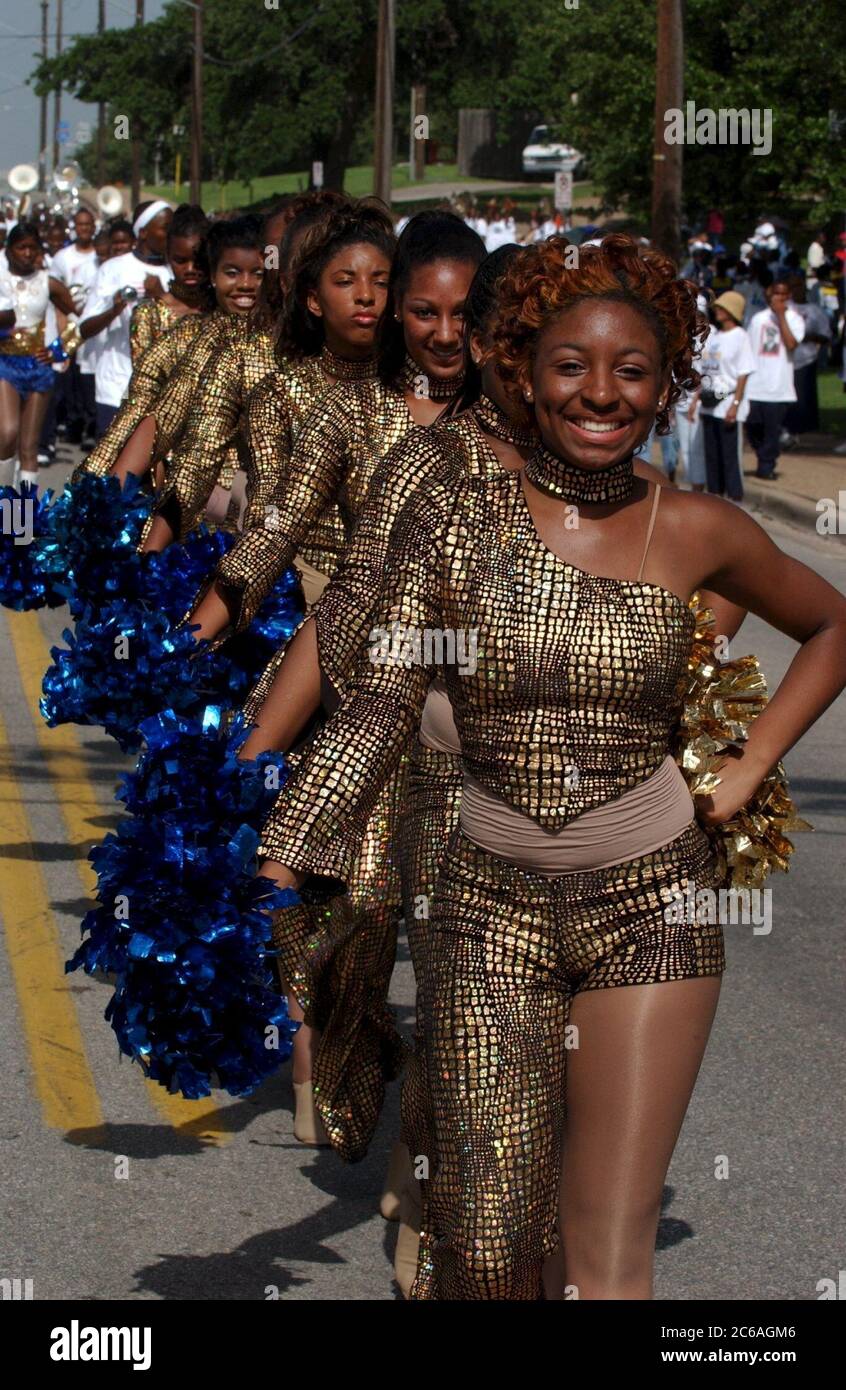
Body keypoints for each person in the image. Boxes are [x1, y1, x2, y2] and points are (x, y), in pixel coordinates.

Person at [251, 233, 846, 1300]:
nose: (600, 394)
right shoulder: (453, 515)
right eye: (572, 367)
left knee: (605, 1248)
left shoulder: (701, 526)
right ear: (523, 375)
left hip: (654, 905)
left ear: (666, 389)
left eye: (632, 371)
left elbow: (830, 623)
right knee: (485, 1252)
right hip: (484, 906)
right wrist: (285, 846)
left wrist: (752, 762)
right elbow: (381, 695)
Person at [80, 201, 173, 438]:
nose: (171, 235)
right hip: (116, 386)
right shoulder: (113, 269)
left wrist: (161, 295)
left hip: (163, 393)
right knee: (111, 469)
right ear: (143, 232)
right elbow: (85, 328)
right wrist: (115, 308)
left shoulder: (176, 272)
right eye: (165, 228)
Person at [0, 221, 77, 488]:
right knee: (7, 434)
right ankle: (5, 508)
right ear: (9, 249)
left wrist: (59, 349)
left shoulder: (49, 283)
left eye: (33, 248)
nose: (27, 253)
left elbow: (78, 319)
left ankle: (24, 521)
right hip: (5, 364)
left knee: (29, 446)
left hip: (37, 365)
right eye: (21, 247)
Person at [694, 290, 755, 501]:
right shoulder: (715, 336)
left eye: (721, 307)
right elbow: (704, 368)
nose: (717, 311)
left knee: (729, 456)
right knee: (711, 455)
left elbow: (743, 373)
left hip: (727, 401)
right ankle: (715, 497)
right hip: (708, 401)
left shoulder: (741, 337)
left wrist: (736, 404)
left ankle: (735, 499)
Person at [128, 204, 210, 359]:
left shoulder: (224, 309)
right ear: (167, 256)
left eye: (199, 260)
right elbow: (143, 378)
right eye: (180, 261)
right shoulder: (148, 314)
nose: (190, 269)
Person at [745, 278, 806, 480]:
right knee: (753, 426)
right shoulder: (758, 319)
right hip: (756, 385)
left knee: (772, 431)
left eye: (782, 294)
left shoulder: (795, 319)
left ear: (788, 296)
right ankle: (763, 455)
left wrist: (781, 316)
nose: (778, 298)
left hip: (778, 387)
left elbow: (791, 344)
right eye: (775, 294)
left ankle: (766, 465)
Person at [49, 207, 100, 446]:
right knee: (69, 377)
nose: (84, 229)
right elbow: (55, 293)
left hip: (96, 326)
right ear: (74, 227)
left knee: (89, 376)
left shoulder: (100, 255)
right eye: (80, 225)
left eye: (88, 225)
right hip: (71, 324)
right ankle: (72, 423)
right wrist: (65, 319)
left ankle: (91, 425)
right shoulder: (63, 257)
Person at [782, 273, 831, 440]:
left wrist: (809, 336)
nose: (796, 289)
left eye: (799, 286)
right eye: (792, 286)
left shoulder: (814, 310)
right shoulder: (784, 308)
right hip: (786, 360)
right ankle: (786, 429)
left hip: (806, 358)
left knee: (804, 398)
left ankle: (807, 432)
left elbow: (826, 337)